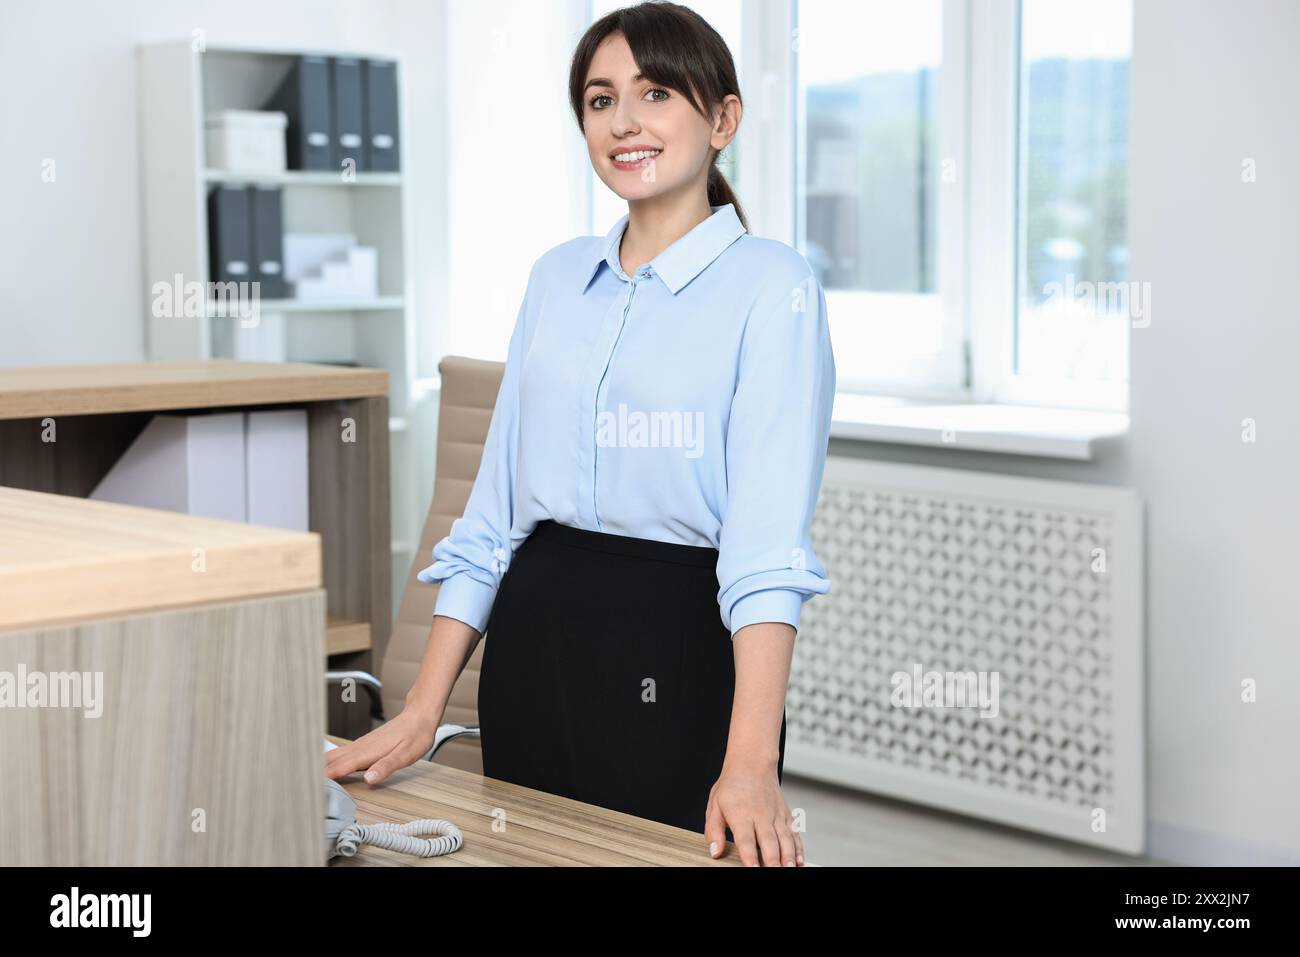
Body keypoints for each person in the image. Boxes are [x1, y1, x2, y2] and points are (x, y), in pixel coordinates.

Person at [327, 0, 835, 868]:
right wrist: (420, 708)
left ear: (723, 118)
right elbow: (490, 521)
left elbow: (764, 555)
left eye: (656, 93)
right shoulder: (556, 279)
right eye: (601, 101)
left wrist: (749, 762)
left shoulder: (773, 287)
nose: (625, 122)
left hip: (680, 657)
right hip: (536, 650)